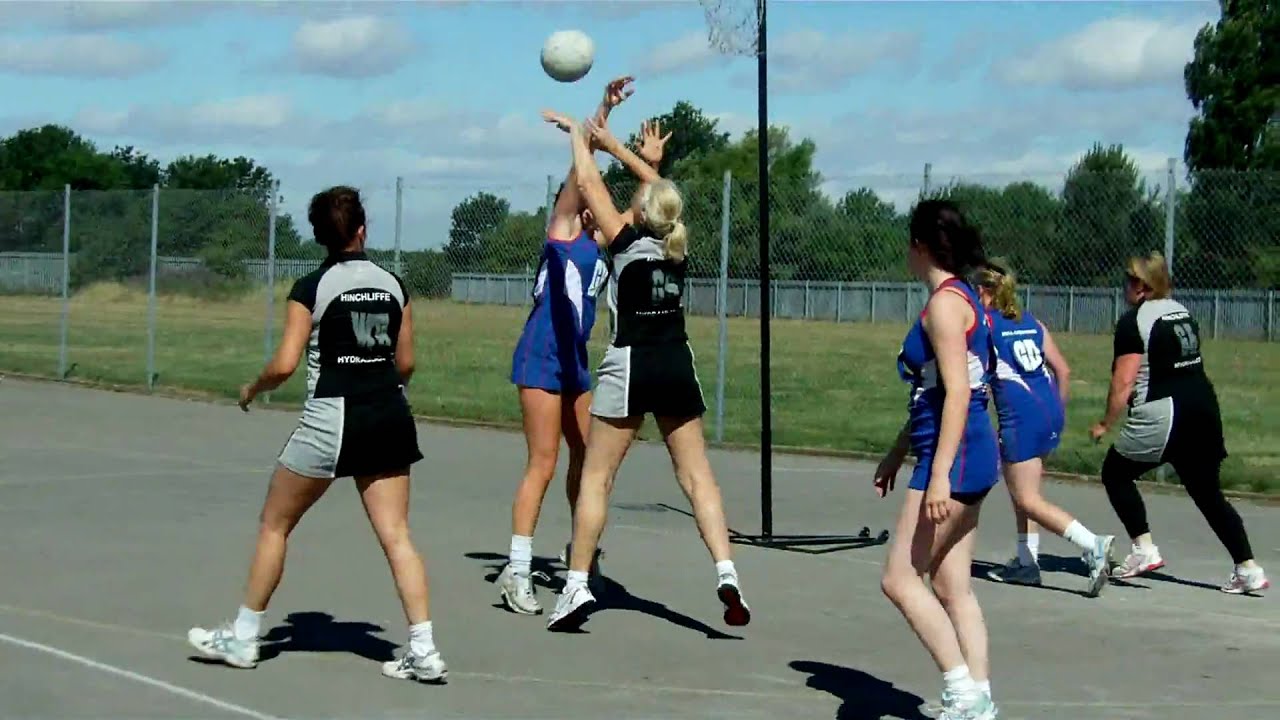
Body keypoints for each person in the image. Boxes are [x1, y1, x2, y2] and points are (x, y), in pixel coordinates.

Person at [186, 186, 448, 683]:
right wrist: (382, 389)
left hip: (333, 417)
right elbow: (406, 362)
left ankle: (244, 637)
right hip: (388, 413)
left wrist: (253, 387)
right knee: (397, 536)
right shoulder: (395, 285)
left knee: (275, 523)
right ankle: (424, 649)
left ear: (319, 237)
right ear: (363, 229)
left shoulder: (312, 287)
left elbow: (286, 364)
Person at [539, 111, 750, 633]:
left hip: (631, 364)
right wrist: (621, 147)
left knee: (597, 476)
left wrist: (583, 139)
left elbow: (587, 183)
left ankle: (577, 585)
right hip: (677, 363)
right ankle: (727, 572)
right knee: (698, 477)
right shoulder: (678, 249)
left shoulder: (625, 243)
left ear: (640, 210)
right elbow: (659, 188)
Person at [495, 75, 637, 616]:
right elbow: (582, 175)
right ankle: (517, 569)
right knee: (544, 460)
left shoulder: (605, 247)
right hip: (540, 355)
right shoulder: (563, 235)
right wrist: (590, 118)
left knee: (588, 457)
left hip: (575, 363)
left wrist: (607, 124)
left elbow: (644, 204)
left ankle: (581, 555)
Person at [874, 200, 999, 720]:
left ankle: (962, 690)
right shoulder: (958, 297)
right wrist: (899, 449)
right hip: (961, 451)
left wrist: (940, 474)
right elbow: (932, 391)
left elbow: (957, 393)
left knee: (900, 579)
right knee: (951, 586)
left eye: (909, 241)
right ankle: (980, 698)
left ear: (921, 246)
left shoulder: (946, 305)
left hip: (957, 455)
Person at [1090, 252, 1268, 595]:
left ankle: (1144, 549)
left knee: (1115, 472)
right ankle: (1248, 568)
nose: (1125, 286)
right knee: (1208, 493)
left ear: (1142, 285)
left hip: (1164, 411)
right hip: (1203, 407)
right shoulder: (1181, 311)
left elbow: (1123, 381)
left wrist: (1105, 422)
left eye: (1129, 280)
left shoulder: (1134, 321)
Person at [974, 261, 1115, 597]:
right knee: (1025, 492)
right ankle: (1026, 562)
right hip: (1049, 409)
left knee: (1026, 498)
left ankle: (1091, 544)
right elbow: (1063, 371)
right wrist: (1057, 415)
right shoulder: (1032, 322)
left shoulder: (984, 326)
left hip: (1020, 416)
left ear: (983, 291)